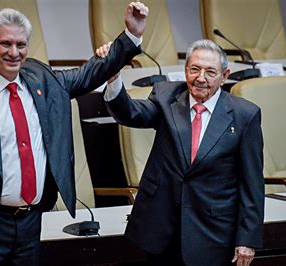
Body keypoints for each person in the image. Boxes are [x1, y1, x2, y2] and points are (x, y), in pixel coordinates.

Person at [0, 2, 148, 265]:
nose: (14, 53)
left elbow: (88, 74)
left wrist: (131, 35)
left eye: (21, 45)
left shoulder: (40, 77)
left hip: (30, 223)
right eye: (5, 44)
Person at [97, 39, 264, 265]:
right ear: (185, 70)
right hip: (161, 229)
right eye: (195, 69)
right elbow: (130, 113)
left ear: (224, 76)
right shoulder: (166, 97)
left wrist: (247, 238)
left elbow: (251, 184)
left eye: (210, 72)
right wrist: (113, 76)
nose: (201, 78)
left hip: (212, 233)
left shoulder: (245, 115)